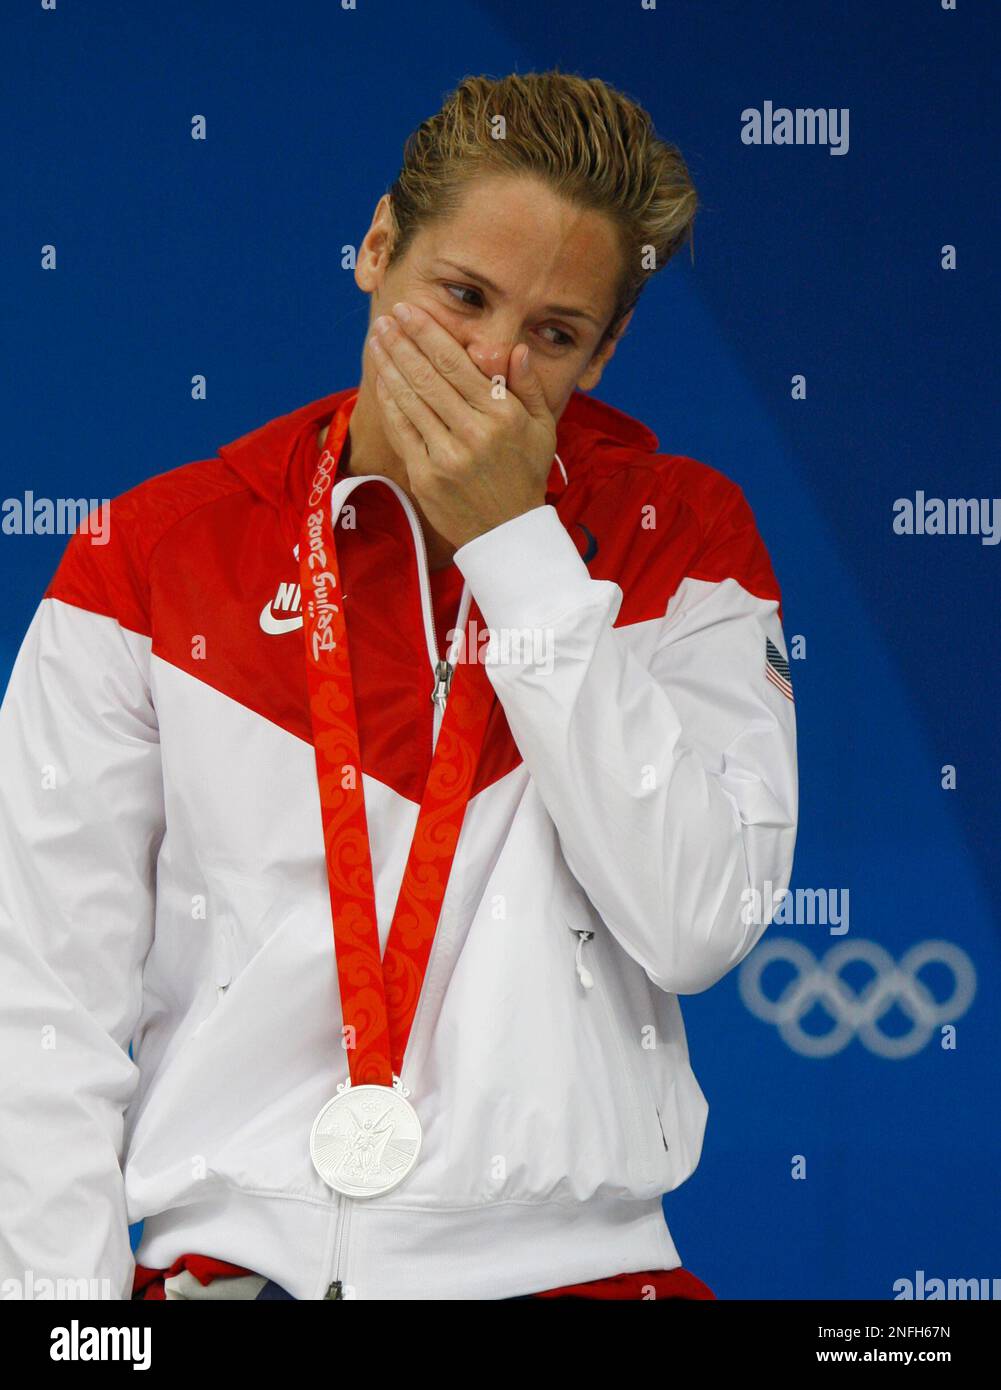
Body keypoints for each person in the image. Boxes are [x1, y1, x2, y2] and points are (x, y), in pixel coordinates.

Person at [0, 70, 798, 1301]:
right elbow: (37, 1001)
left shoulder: (681, 536)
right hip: (222, 1271)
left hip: (581, 1276)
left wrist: (515, 550)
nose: (490, 367)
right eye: (462, 296)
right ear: (377, 246)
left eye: (550, 334)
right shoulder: (152, 554)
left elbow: (696, 918)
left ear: (605, 351)